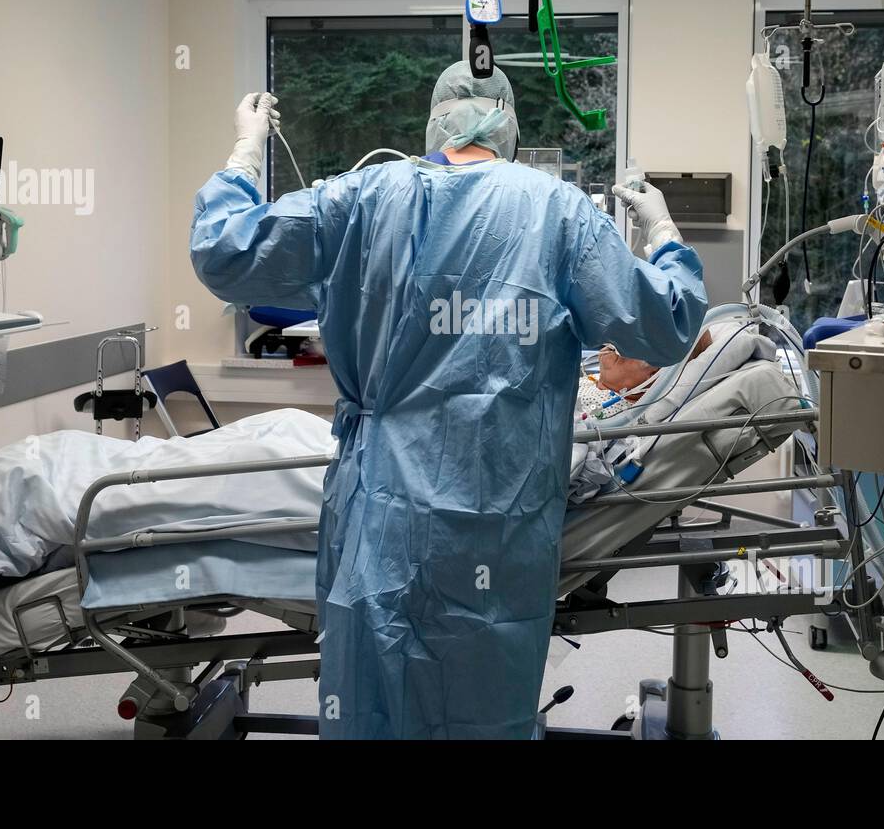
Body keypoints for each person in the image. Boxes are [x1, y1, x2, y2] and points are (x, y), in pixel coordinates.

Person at [189, 61, 708, 739]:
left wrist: (245, 153)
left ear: (436, 119)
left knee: (377, 693)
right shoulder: (556, 211)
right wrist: (664, 232)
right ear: (509, 126)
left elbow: (224, 253)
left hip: (383, 517)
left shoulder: (362, 197)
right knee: (483, 703)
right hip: (500, 516)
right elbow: (667, 325)